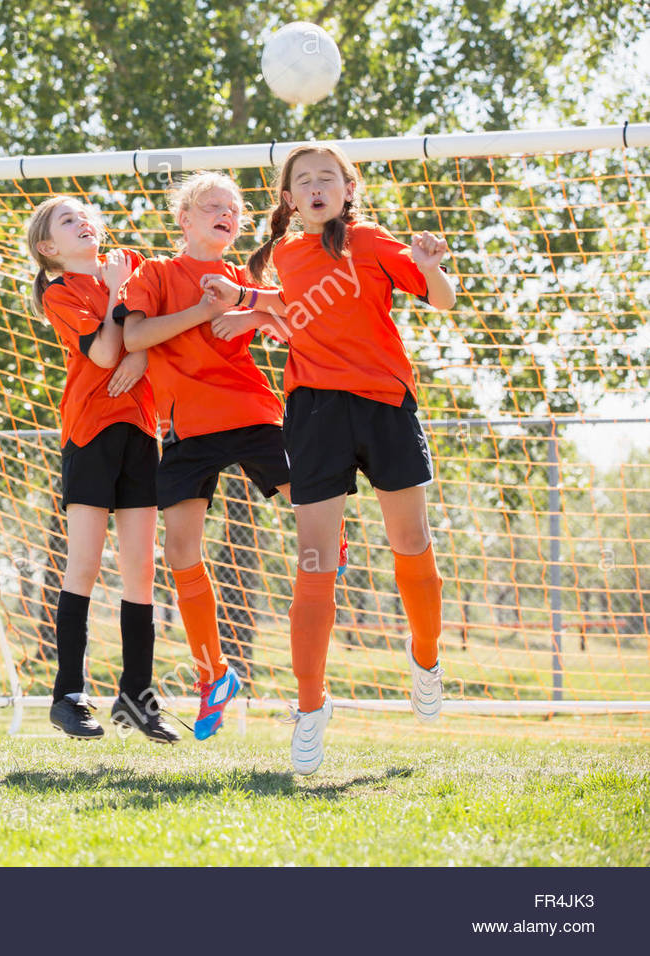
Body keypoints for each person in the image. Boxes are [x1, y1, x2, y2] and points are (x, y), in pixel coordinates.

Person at [212, 143, 456, 774]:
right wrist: (247, 306)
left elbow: (444, 299)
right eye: (303, 181)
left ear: (348, 190)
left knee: (412, 540)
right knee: (316, 557)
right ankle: (310, 707)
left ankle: (426, 656)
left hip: (385, 405)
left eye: (328, 178)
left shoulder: (370, 241)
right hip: (315, 412)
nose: (316, 187)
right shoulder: (279, 258)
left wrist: (430, 266)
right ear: (288, 197)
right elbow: (291, 315)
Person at [120, 172, 294, 741]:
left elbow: (290, 325)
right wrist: (202, 308)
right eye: (213, 206)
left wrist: (253, 314)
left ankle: (334, 546)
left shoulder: (247, 277)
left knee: (310, 498)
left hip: (249, 413)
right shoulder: (157, 274)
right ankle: (213, 674)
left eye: (235, 209)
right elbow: (136, 338)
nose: (227, 214)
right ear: (185, 219)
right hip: (188, 429)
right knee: (179, 551)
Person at [25, 196, 178, 743]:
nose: (82, 221)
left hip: (141, 429)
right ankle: (68, 695)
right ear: (50, 248)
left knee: (141, 571)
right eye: (67, 220)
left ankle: (137, 697)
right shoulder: (62, 292)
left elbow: (158, 333)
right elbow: (107, 355)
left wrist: (143, 353)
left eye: (84, 213)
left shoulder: (135, 262)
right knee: (84, 565)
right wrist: (117, 299)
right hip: (89, 432)